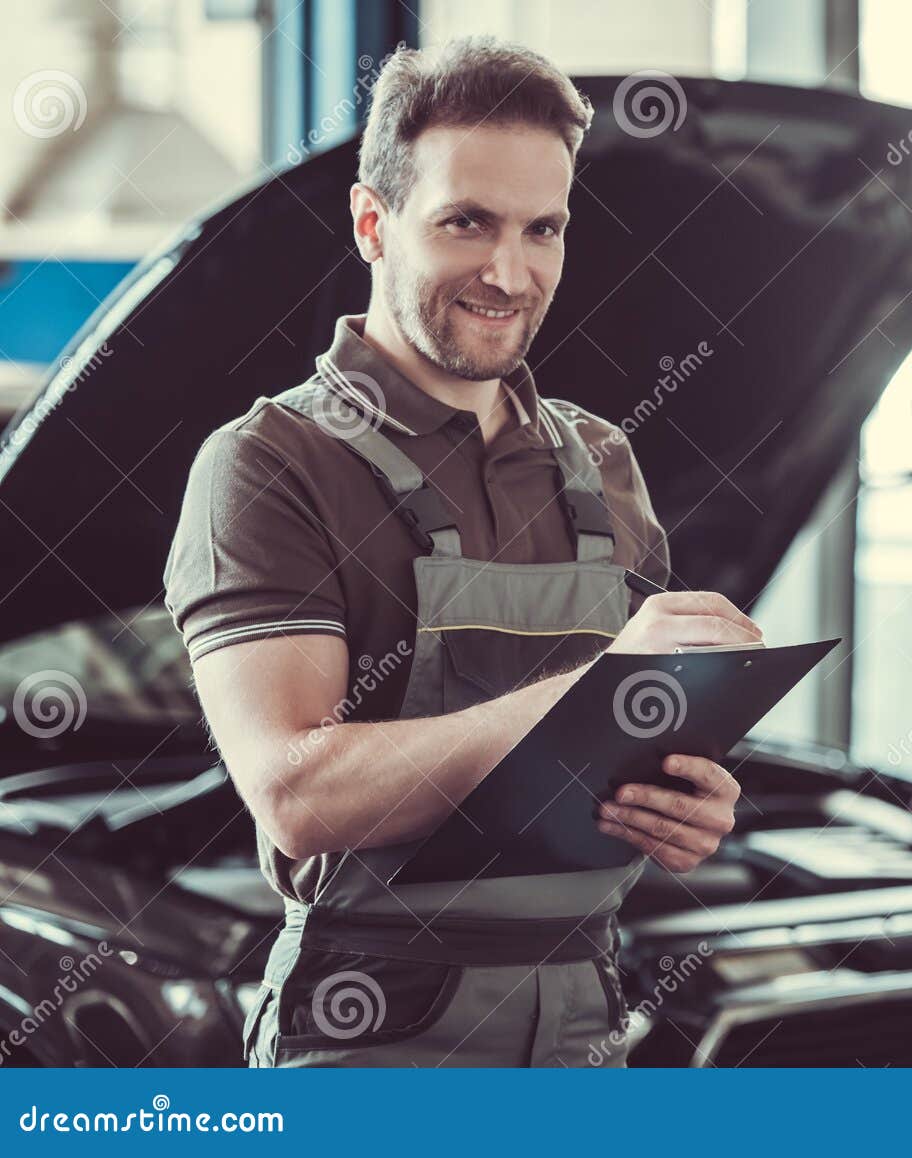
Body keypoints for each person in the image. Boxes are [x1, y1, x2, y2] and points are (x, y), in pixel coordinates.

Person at [163, 38, 761, 1067]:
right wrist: (589, 688)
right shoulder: (268, 464)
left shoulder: (605, 462)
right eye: (466, 222)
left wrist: (689, 804)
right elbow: (296, 794)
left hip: (584, 1021)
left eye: (543, 229)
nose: (509, 271)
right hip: (370, 1035)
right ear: (372, 224)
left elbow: (621, 747)